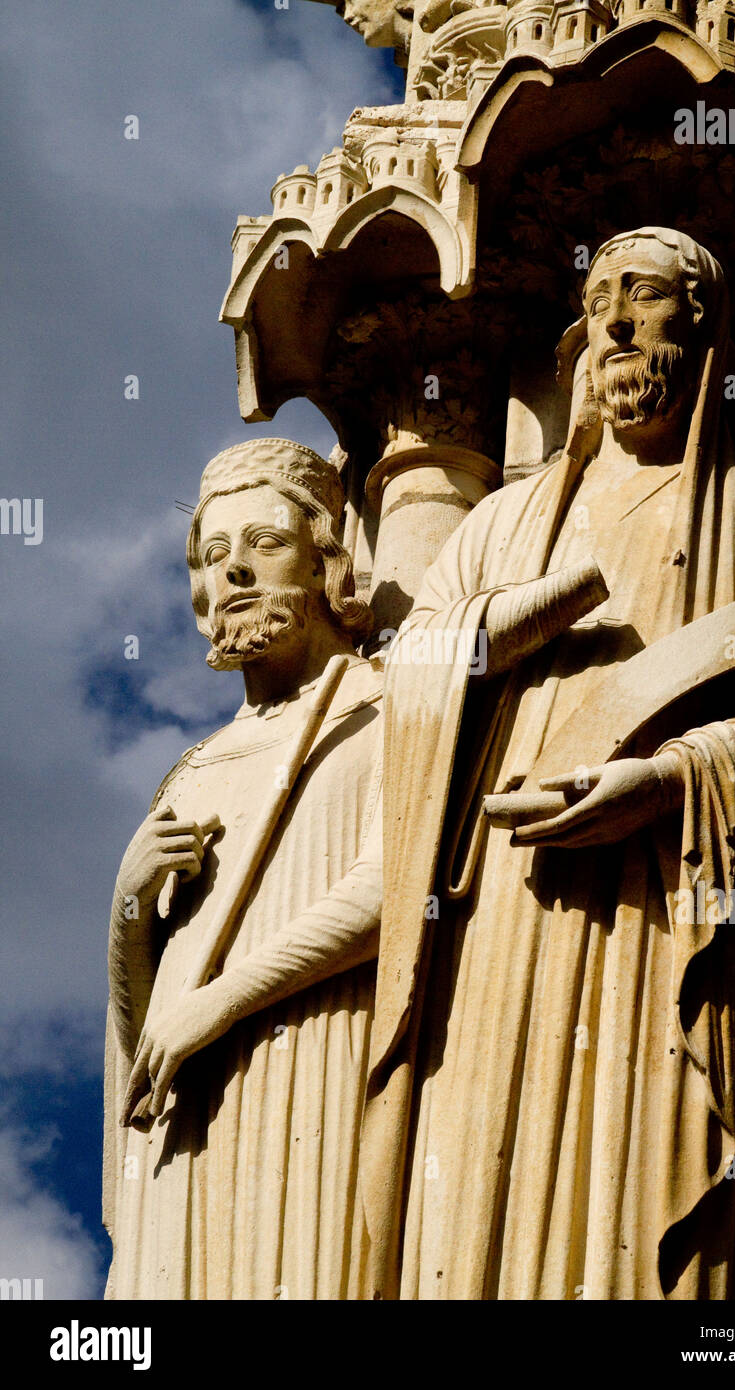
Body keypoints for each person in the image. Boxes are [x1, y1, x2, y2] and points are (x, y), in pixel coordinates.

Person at [361, 228, 735, 1300]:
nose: (616, 323)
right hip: (500, 907)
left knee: (641, 1174)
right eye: (597, 303)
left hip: (672, 903)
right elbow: (410, 675)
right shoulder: (500, 525)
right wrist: (530, 612)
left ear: (704, 326)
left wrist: (674, 781)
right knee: (477, 1178)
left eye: (646, 296)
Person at [104, 438, 383, 1299]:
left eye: (265, 544)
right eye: (215, 555)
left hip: (313, 1059)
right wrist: (127, 910)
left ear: (325, 562)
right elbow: (139, 1046)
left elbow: (394, 886)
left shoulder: (383, 705)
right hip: (183, 1120)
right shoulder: (192, 769)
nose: (233, 572)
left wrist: (221, 1002)